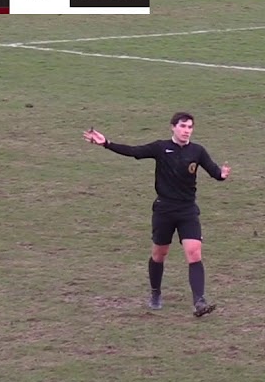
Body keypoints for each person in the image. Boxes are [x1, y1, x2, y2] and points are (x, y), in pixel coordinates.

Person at [83, 112, 230, 316]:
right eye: (183, 126)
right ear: (173, 127)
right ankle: (155, 293)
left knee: (194, 252)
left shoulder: (198, 151)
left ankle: (199, 301)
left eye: (190, 127)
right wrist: (107, 143)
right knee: (159, 254)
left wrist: (222, 175)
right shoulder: (161, 148)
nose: (187, 130)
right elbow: (134, 151)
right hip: (164, 209)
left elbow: (215, 172)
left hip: (187, 210)